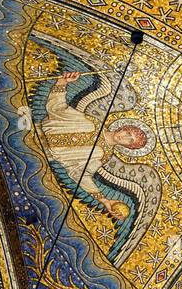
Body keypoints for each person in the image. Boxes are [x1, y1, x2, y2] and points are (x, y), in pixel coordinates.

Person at [42, 71, 144, 216]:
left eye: (130, 141)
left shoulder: (103, 156)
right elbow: (57, 109)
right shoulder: (93, 122)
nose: (125, 138)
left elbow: (79, 174)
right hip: (30, 129)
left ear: (128, 147)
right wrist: (62, 83)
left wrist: (104, 200)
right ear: (122, 128)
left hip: (39, 153)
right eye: (127, 133)